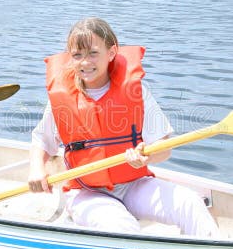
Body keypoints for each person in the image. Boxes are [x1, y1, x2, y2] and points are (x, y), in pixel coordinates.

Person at [28, 17, 219, 237]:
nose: (84, 62)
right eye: (77, 55)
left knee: (189, 203)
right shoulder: (63, 97)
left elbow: (164, 148)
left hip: (134, 184)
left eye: (93, 53)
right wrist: (36, 169)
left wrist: (146, 156)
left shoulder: (136, 92)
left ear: (111, 53)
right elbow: (41, 140)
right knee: (122, 226)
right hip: (86, 192)